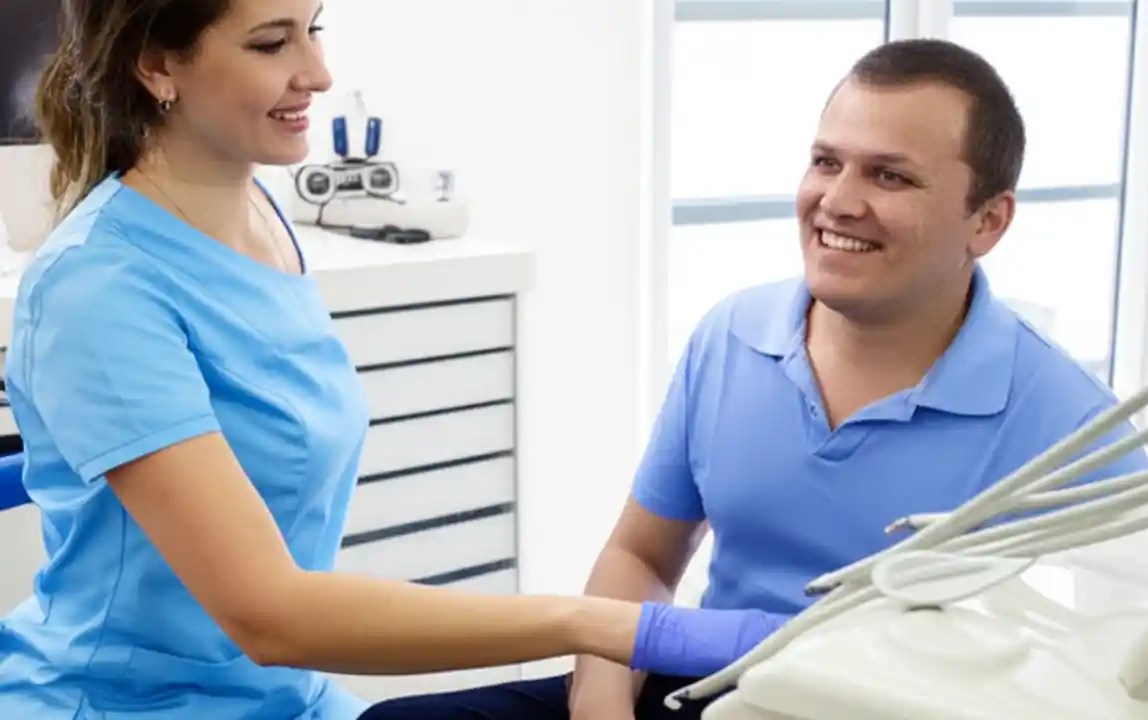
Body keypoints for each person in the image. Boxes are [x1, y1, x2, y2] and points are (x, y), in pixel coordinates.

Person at [0, 1, 759, 718]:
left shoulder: (259, 218)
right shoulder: (99, 287)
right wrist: (604, 624)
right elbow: (269, 615)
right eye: (272, 42)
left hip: (287, 699)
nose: (319, 73)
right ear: (156, 66)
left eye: (314, 28)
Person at [358, 38, 1148, 719]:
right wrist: (599, 705)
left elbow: (1123, 671)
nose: (837, 202)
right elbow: (641, 555)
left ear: (988, 220)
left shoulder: (1073, 427)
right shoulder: (733, 336)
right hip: (710, 689)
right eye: (825, 161)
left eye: (890, 177)